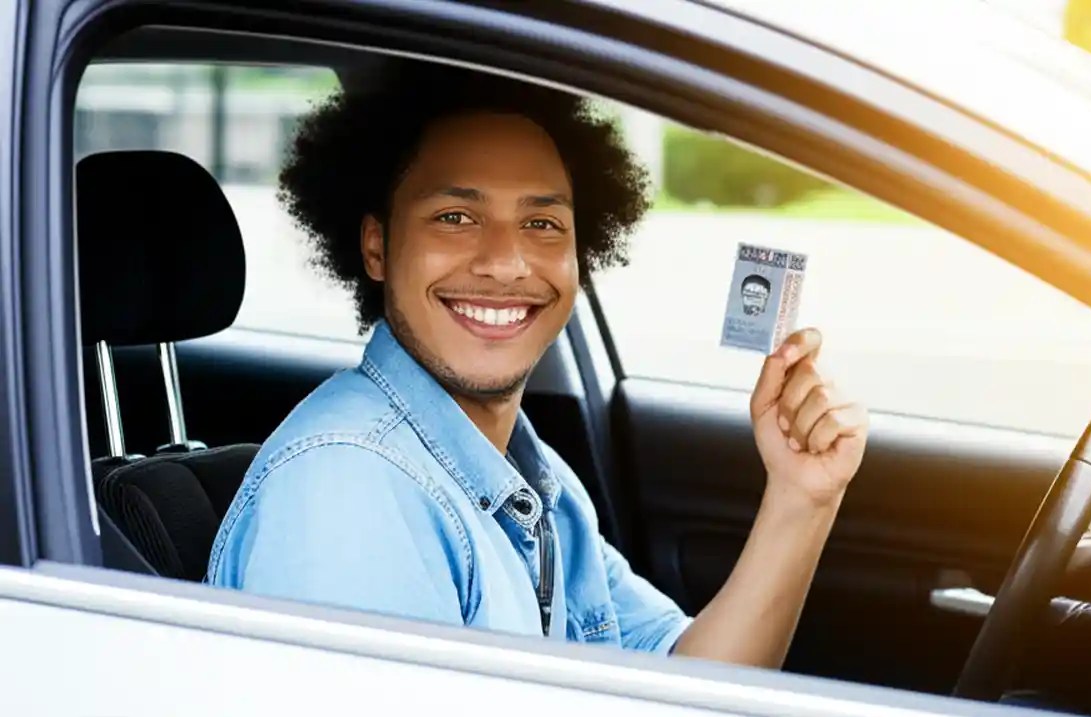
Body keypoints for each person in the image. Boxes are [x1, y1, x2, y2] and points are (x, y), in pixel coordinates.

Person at [207, 62, 869, 668]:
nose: (505, 262)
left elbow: (685, 683)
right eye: (456, 216)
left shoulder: (536, 481)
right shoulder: (349, 489)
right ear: (377, 247)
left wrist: (802, 496)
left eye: (543, 225)